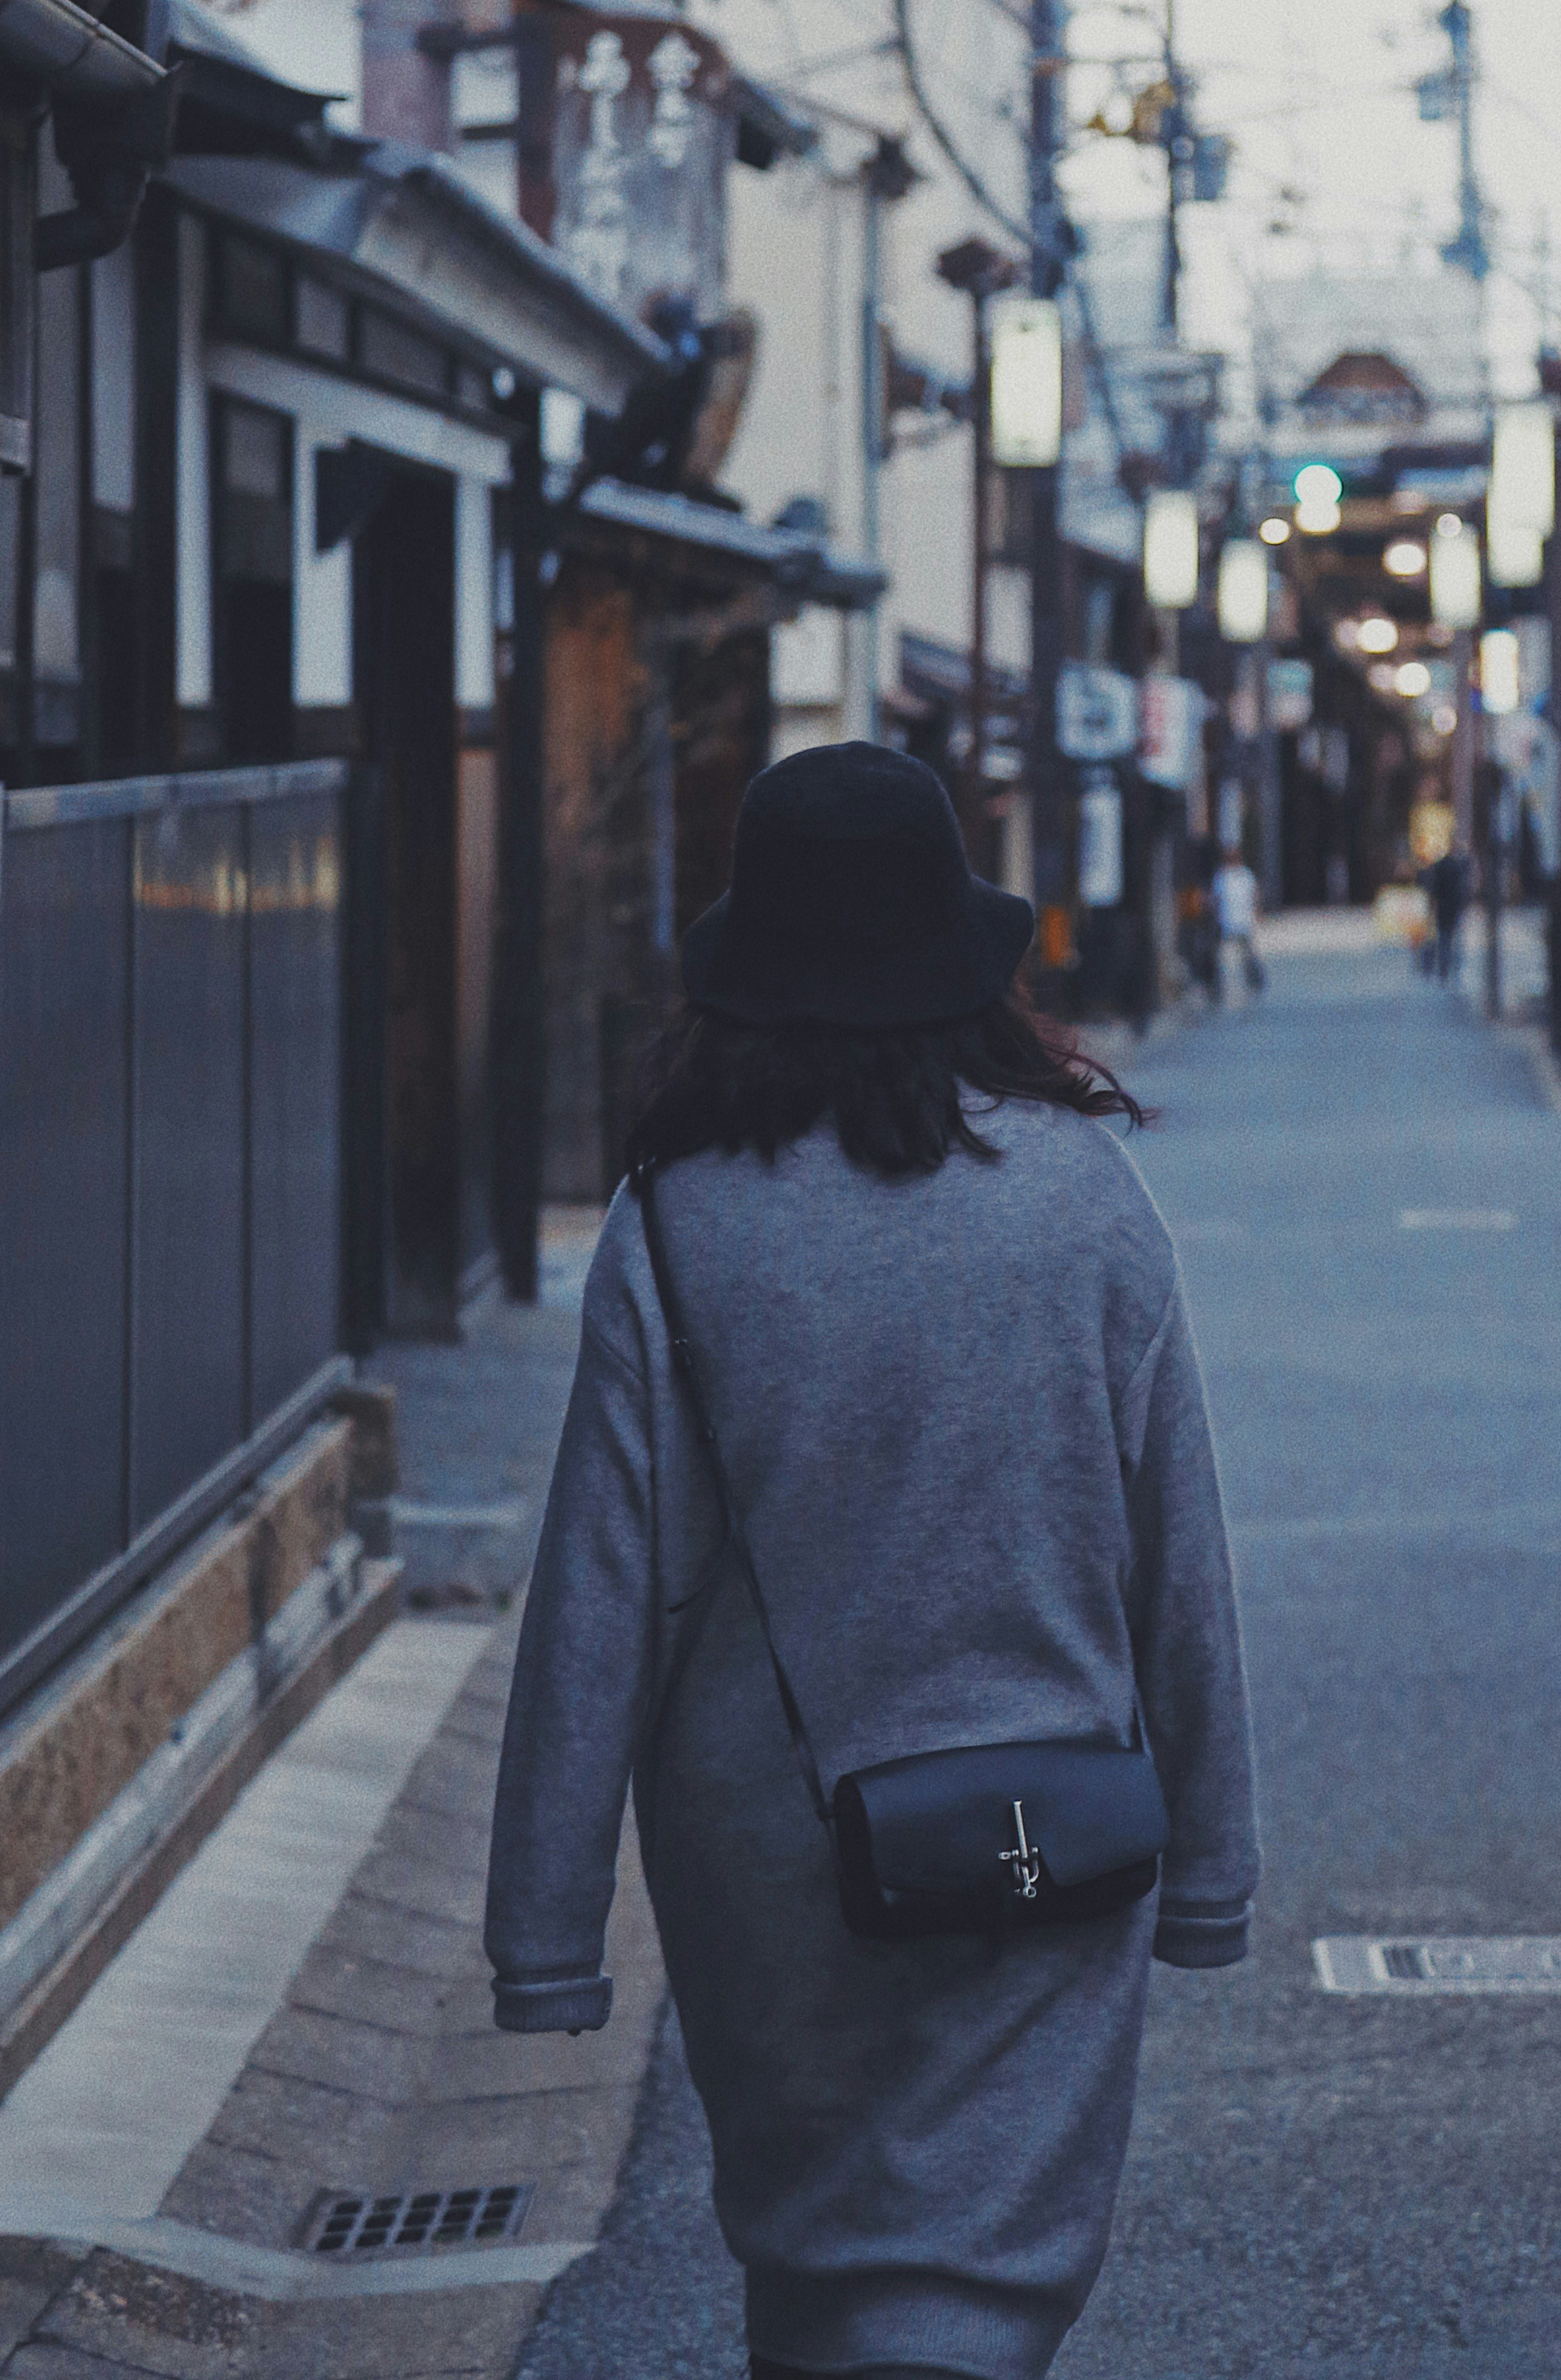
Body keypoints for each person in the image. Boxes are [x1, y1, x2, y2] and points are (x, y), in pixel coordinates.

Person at [485, 742, 1259, 2380]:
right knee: (991, 2268)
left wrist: (547, 1929)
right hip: (1056, 1829)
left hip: (774, 1854)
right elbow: (1176, 1556)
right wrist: (1213, 1863)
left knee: (818, 2254)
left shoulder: (679, 1219)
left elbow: (602, 1591)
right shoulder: (1086, 1200)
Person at [1211, 846, 1265, 998]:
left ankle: (1252, 982)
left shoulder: (1225, 877)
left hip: (1233, 922)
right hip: (1236, 922)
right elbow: (1256, 897)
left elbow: (1216, 901)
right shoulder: (1242, 876)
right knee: (1242, 956)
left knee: (1239, 957)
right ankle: (1251, 982)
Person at [1427, 842, 1472, 982]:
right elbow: (1461, 889)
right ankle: (1452, 969)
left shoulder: (1440, 866)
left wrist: (1433, 905)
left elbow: (1435, 889)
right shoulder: (1458, 867)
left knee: (1443, 940)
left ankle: (1443, 969)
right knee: (1453, 940)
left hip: (1443, 908)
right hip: (1453, 908)